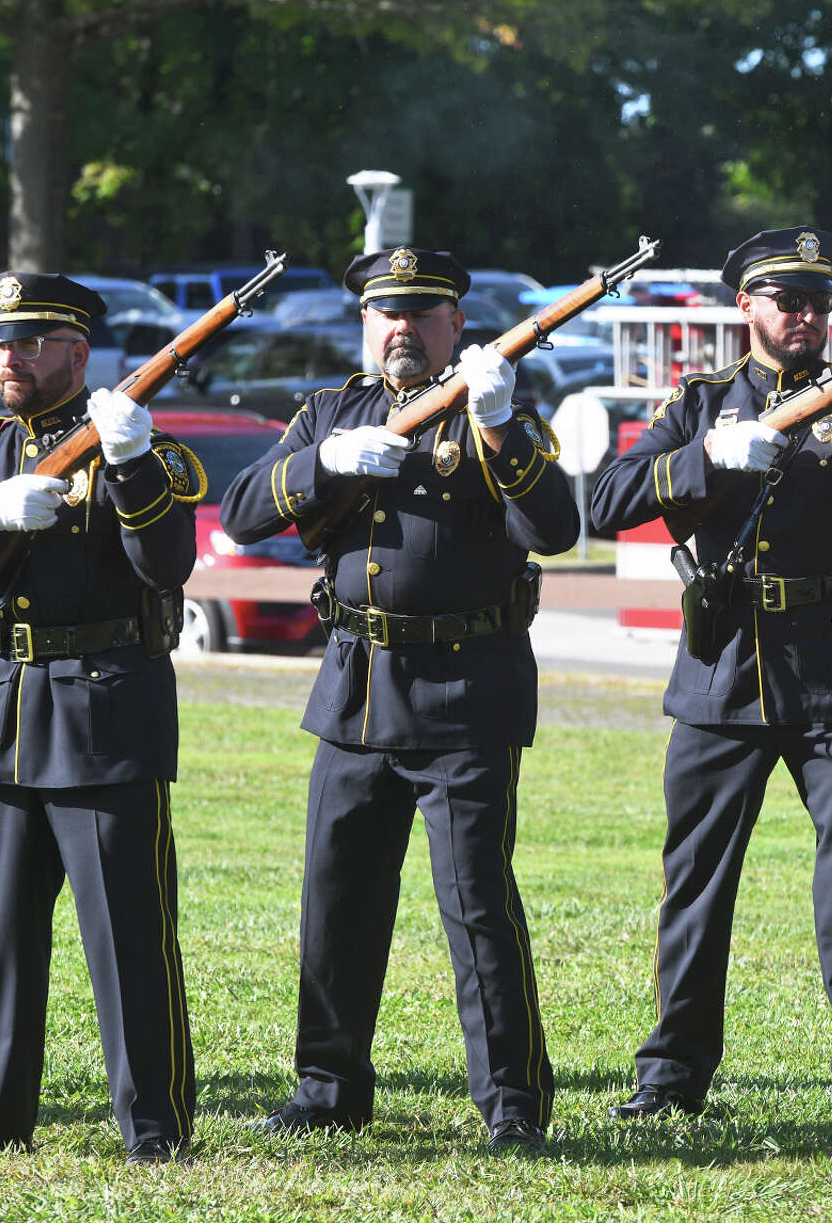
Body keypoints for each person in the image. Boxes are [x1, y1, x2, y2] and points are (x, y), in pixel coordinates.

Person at [220, 247, 575, 1153]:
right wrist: (322, 466)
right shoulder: (329, 414)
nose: (403, 330)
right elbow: (240, 513)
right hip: (355, 692)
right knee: (336, 899)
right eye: (387, 314)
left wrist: (498, 431)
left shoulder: (500, 410)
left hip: (465, 694)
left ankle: (512, 1105)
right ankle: (329, 1086)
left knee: (475, 904)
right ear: (365, 324)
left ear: (458, 325)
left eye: (423, 315)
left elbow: (557, 528)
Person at [589, 226, 832, 1131]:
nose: (808, 317)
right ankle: (672, 1074)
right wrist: (708, 460)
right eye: (789, 302)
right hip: (724, 669)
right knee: (695, 881)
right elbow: (606, 500)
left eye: (820, 301)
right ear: (747, 307)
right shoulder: (702, 402)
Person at [0, 272, 199, 1164]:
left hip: (105, 714)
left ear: (77, 351)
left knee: (127, 937)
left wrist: (133, 459)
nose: (9, 358)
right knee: (5, 942)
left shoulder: (136, 444)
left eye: (30, 342)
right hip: (1, 715)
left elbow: (167, 560)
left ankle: (152, 1125)